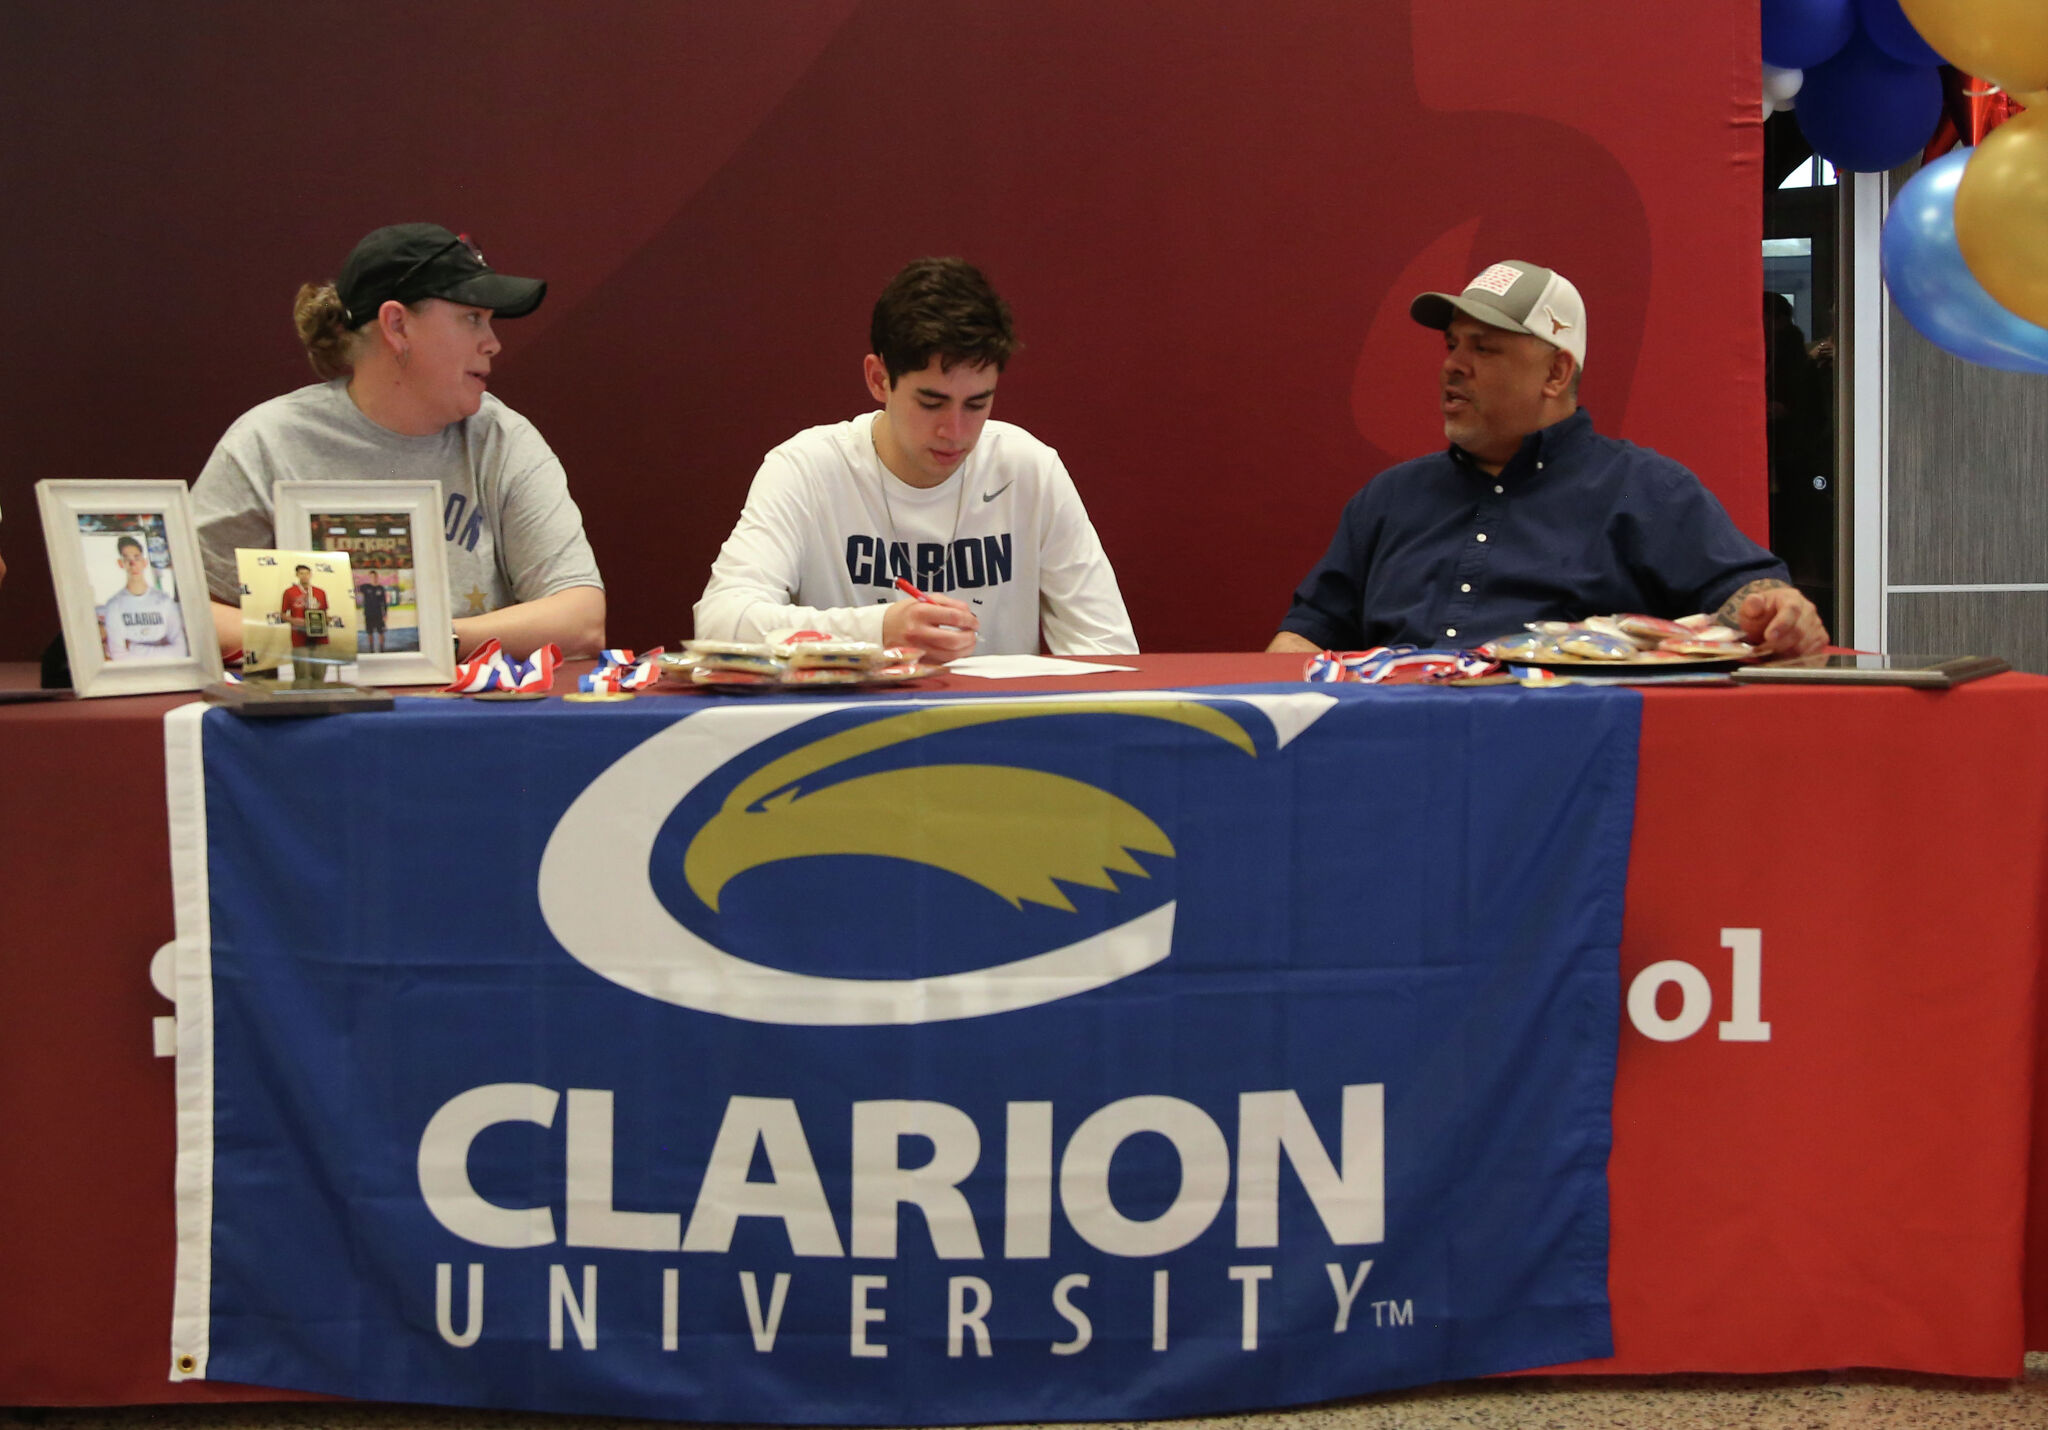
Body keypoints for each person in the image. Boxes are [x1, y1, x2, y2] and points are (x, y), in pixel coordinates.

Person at [1270, 260, 1827, 657]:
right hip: (1392, 749)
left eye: (1483, 347)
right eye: (1452, 344)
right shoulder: (1388, 499)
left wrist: (1779, 610)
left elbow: (1748, 597)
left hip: (1562, 756)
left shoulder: (1646, 490)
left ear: (1556, 373)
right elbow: (1307, 634)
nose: (1452, 365)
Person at [191, 224, 605, 661]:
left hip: (464, 702)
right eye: (472, 318)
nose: (493, 343)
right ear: (397, 325)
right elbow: (182, 611)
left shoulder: (502, 440)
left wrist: (424, 641)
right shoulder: (267, 442)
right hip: (318, 703)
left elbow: (581, 620)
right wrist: (332, 644)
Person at [694, 257, 1135, 662]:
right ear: (879, 380)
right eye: (931, 403)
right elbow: (719, 622)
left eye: (977, 404)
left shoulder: (1029, 470)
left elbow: (1109, 653)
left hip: (996, 723)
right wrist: (880, 630)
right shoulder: (805, 469)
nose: (955, 431)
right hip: (851, 724)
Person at [100, 535, 190, 659]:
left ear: (144, 562)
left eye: (136, 558)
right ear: (121, 564)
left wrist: (132, 647)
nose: (133, 564)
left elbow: (179, 652)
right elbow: (119, 656)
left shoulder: (164, 602)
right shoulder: (114, 606)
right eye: (127, 559)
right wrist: (163, 649)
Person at [279, 564, 331, 682]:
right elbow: (282, 614)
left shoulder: (320, 592)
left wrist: (327, 620)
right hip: (299, 637)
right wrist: (294, 620)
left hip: (320, 637)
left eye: (307, 573)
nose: (304, 576)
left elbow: (324, 613)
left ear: (311, 575)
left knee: (319, 673)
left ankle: (319, 692)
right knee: (302, 674)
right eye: (301, 573)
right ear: (297, 575)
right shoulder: (289, 592)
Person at [358, 577, 389, 653]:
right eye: (371, 577)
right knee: (370, 632)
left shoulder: (380, 588)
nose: (373, 579)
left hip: (378, 614)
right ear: (369, 578)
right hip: (368, 614)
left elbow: (384, 602)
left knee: (381, 632)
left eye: (374, 577)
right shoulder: (365, 587)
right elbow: (356, 589)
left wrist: (385, 614)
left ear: (376, 578)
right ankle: (371, 649)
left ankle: (382, 648)